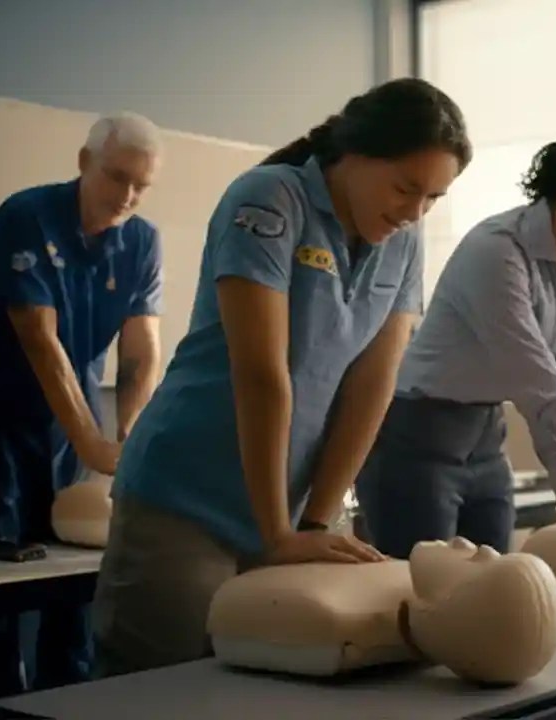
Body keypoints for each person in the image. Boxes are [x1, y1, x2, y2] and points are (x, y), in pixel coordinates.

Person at [91, 77, 471, 678]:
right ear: (354, 153)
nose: (413, 212)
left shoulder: (403, 244)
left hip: (293, 510)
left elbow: (372, 383)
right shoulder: (270, 199)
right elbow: (262, 373)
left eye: (433, 199)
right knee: (161, 693)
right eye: (405, 188)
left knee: (278, 694)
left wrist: (314, 523)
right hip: (185, 499)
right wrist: (277, 533)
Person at [0, 112, 165, 696]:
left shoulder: (141, 240)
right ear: (85, 163)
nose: (128, 196)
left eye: (142, 185)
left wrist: (127, 438)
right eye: (118, 178)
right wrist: (94, 443)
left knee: (74, 578)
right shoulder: (27, 216)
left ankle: (70, 699)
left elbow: (140, 353)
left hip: (74, 415)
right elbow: (41, 341)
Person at [356, 136, 556, 560]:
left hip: (487, 436)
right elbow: (537, 381)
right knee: (425, 591)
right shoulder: (496, 250)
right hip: (417, 437)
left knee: (497, 587)